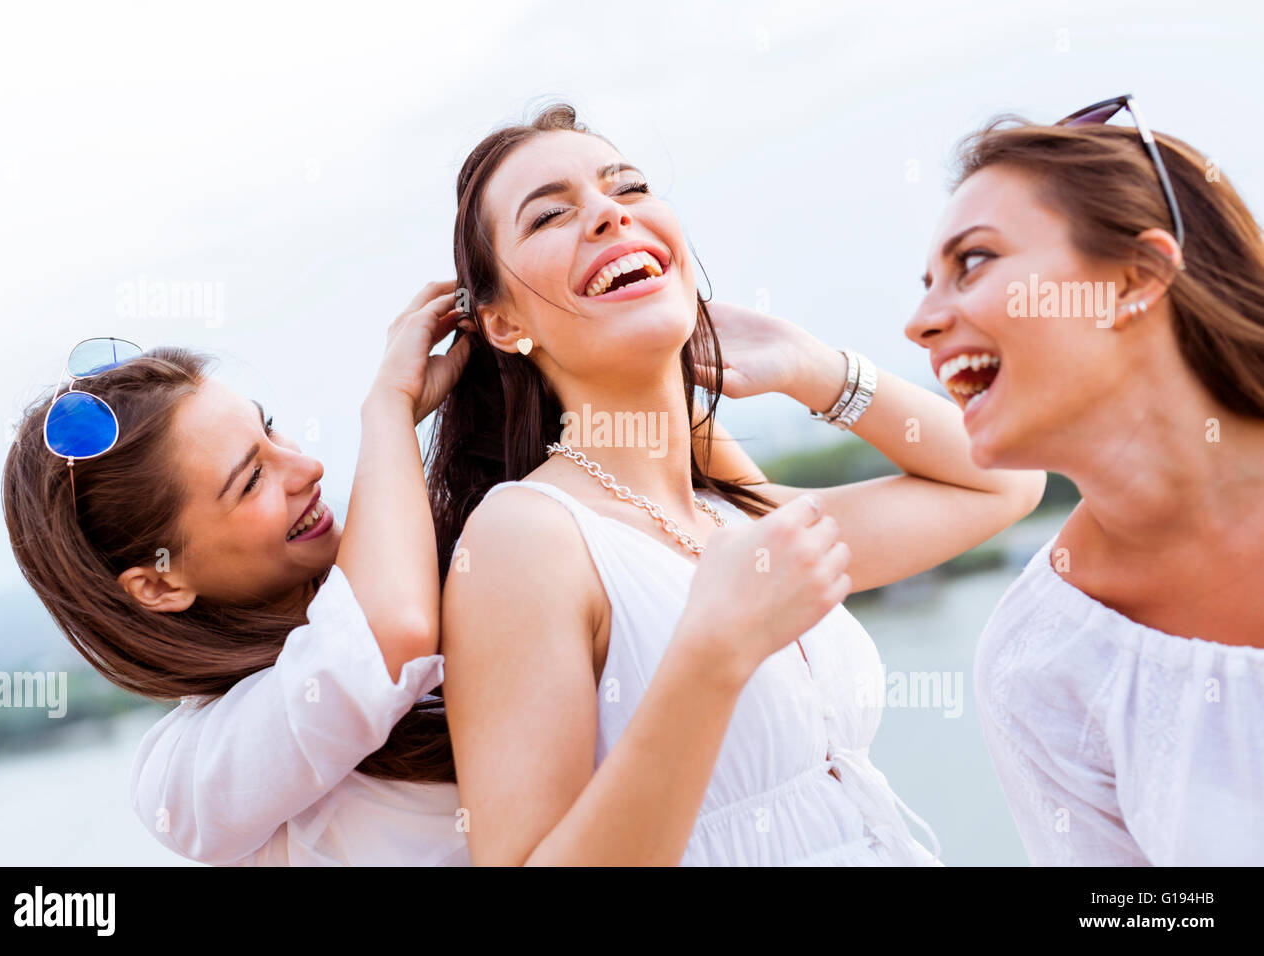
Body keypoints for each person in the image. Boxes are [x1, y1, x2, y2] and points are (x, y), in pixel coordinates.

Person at [433, 103, 1046, 866]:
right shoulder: (527, 538)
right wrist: (711, 655)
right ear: (503, 324)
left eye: (628, 188)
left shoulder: (736, 518)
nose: (607, 215)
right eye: (551, 214)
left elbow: (1007, 479)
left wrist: (814, 369)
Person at [906, 98, 1264, 864]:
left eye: (973, 262)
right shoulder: (1038, 663)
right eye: (928, 281)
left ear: (1137, 276)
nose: (921, 321)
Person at [3, 284, 474, 865]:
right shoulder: (185, 776)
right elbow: (386, 637)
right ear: (159, 582)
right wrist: (389, 408)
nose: (308, 467)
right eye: (251, 480)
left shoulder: (455, 572)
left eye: (269, 429)